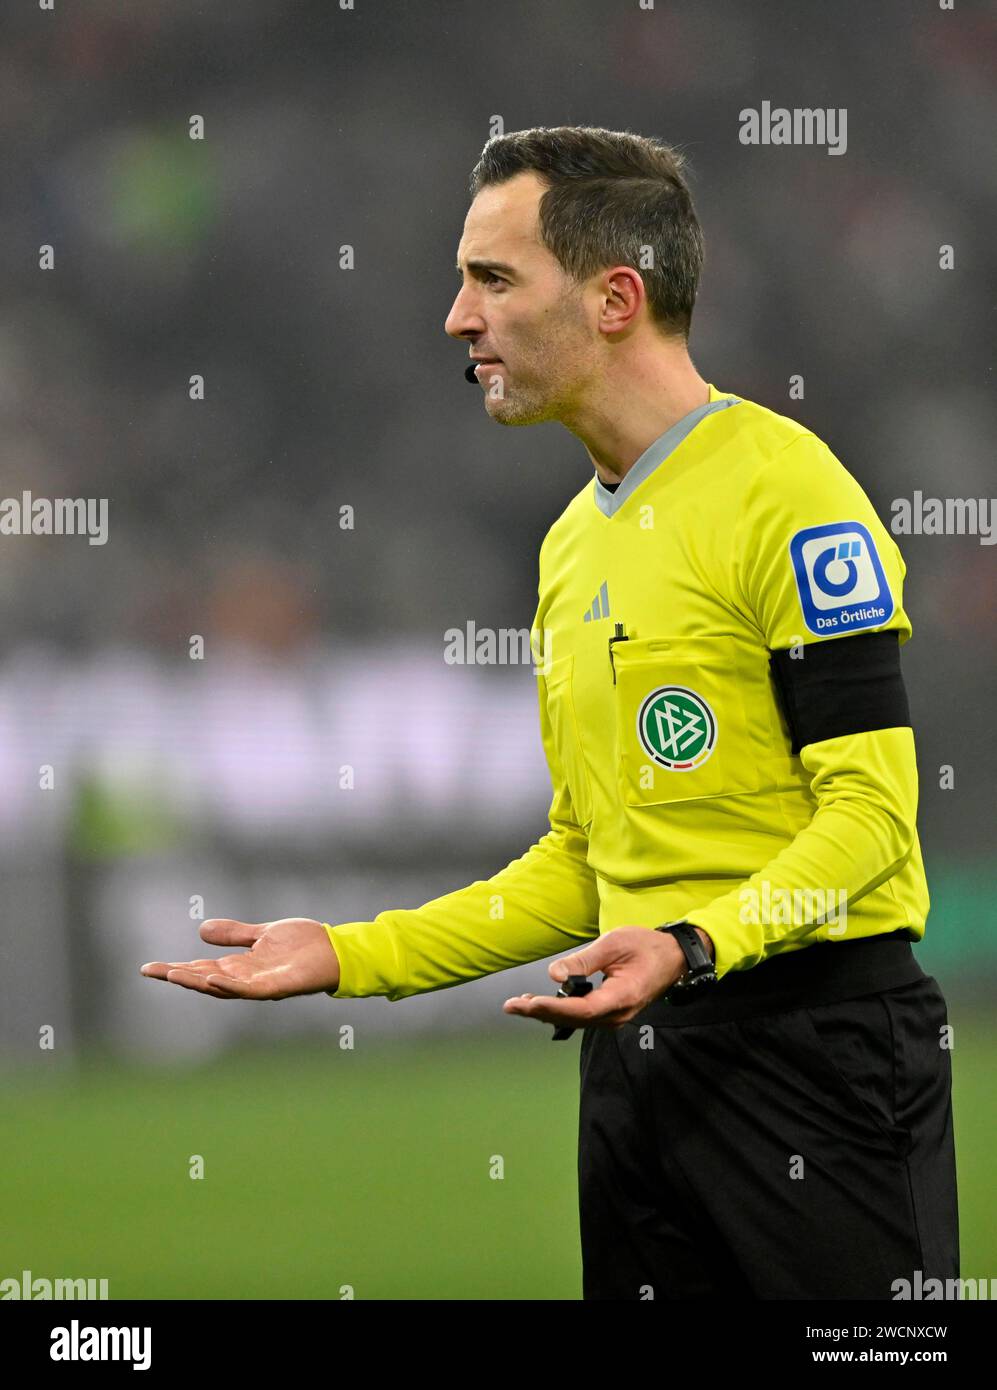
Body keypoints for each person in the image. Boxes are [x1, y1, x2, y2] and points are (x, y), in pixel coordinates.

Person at [141, 125, 959, 1300]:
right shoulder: (571, 545)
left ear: (615, 296)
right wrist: (349, 953)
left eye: (492, 278)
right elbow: (586, 861)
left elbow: (876, 819)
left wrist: (691, 943)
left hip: (818, 1061)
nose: (456, 318)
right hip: (637, 1066)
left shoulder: (791, 496)